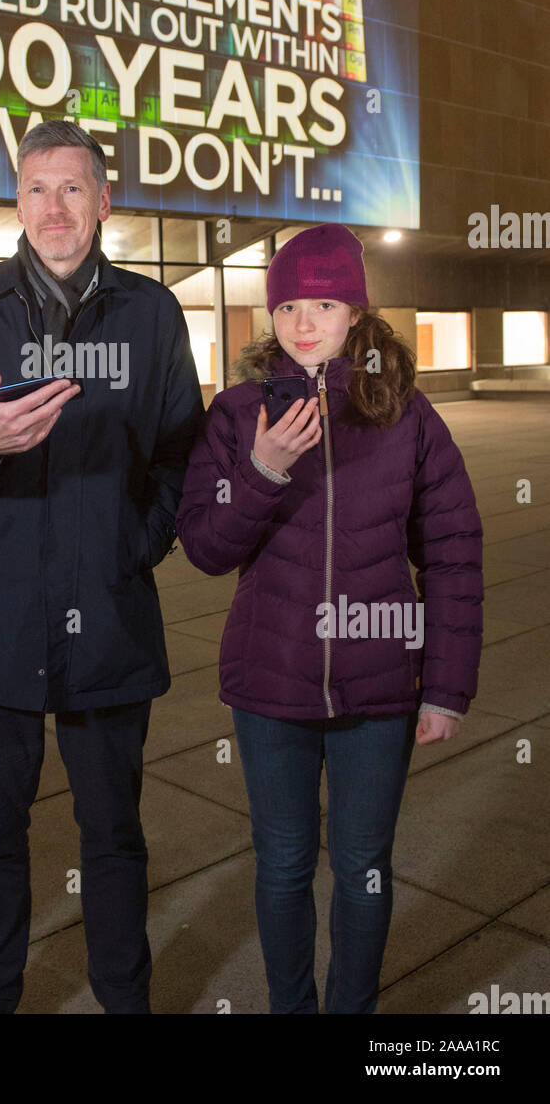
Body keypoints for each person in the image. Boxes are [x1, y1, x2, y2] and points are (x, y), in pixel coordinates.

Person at [0, 119, 205, 1014]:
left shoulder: (151, 312)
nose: (55, 206)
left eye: (73, 187)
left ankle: (125, 1001)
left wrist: (132, 545)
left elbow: (181, 457)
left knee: (112, 833)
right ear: (18, 200)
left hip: (108, 619)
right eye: (37, 188)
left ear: (105, 200)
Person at [175, 223, 483, 1015]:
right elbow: (205, 547)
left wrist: (445, 689)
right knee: (281, 864)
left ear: (357, 313)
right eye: (287, 306)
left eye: (323, 302)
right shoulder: (238, 412)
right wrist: (264, 469)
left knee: (363, 866)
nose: (304, 322)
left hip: (378, 691)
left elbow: (452, 553)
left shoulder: (406, 417)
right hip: (269, 684)